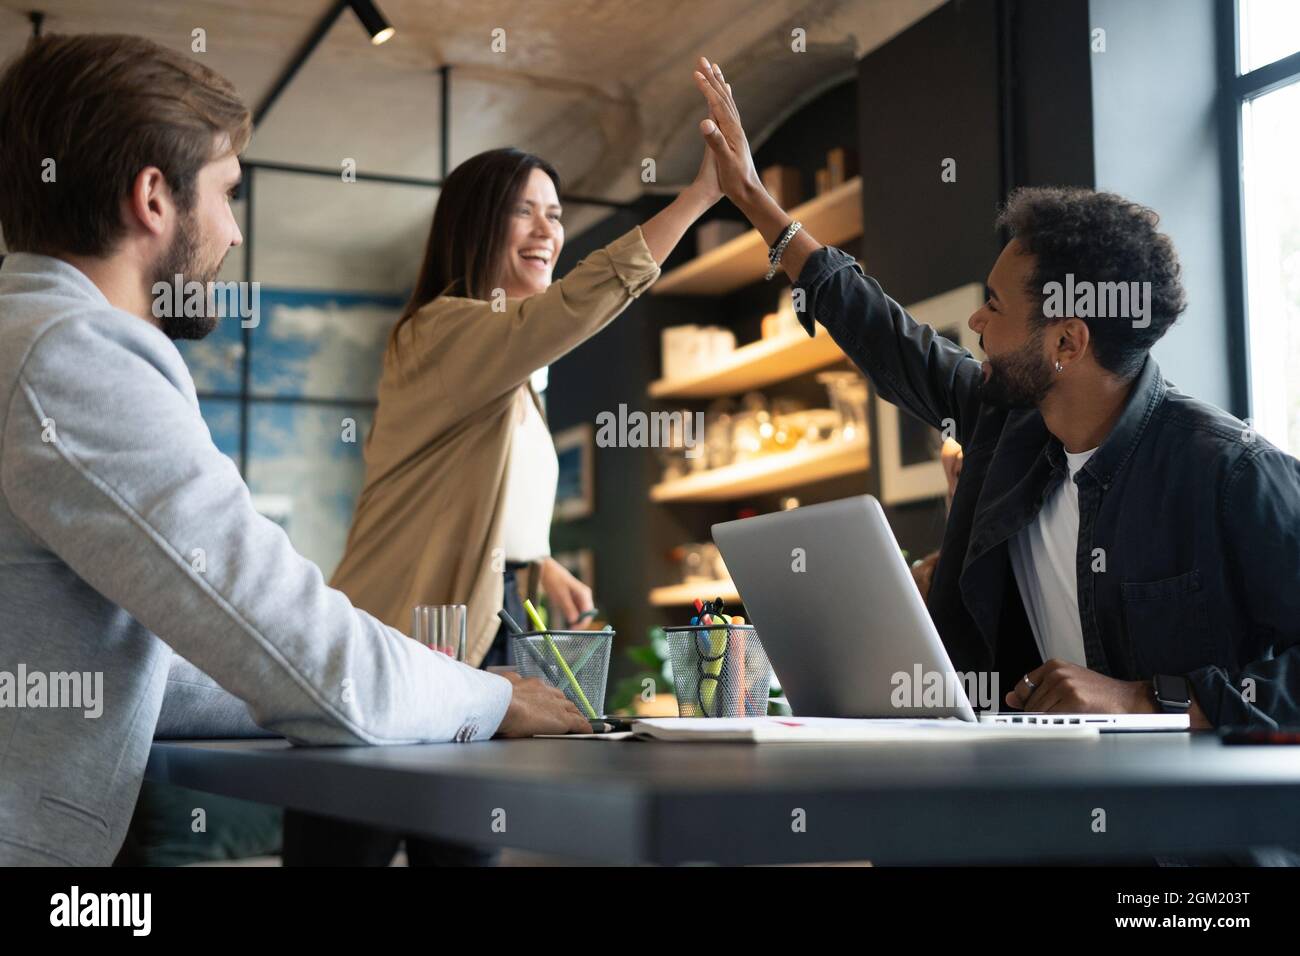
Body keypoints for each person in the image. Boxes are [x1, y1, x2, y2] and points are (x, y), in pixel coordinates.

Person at [0, 33, 588, 868]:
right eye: (227, 194)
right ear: (154, 198)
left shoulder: (28, 334)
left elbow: (170, 663)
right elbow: (302, 649)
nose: (235, 235)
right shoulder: (72, 354)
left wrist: (333, 683)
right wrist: (486, 696)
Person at [691, 56, 1300, 730]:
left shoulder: (1230, 472)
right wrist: (750, 195)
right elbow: (882, 332)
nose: (975, 323)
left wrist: (1148, 696)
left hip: (1183, 833)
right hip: (1037, 815)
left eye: (993, 306)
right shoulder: (1005, 420)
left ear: (1067, 342)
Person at [286, 139, 724, 866]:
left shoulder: (518, 377)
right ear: (474, 225)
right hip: (394, 642)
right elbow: (571, 306)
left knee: (463, 850)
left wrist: (542, 562)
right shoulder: (440, 332)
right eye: (523, 211)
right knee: (345, 853)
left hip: (478, 645)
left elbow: (488, 493)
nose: (547, 230)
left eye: (554, 213)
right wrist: (699, 196)